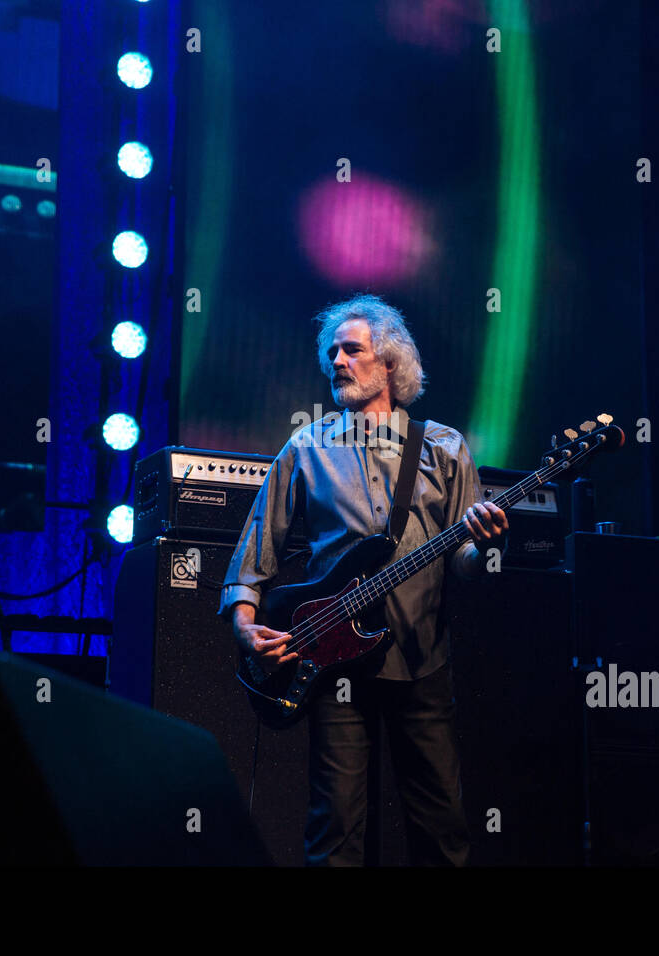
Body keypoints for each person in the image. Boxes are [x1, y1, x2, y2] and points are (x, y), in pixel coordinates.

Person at [219, 293, 508, 866]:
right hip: (331, 663)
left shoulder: (444, 447)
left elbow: (467, 567)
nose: (338, 362)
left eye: (352, 350)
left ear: (391, 363)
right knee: (336, 832)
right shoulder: (307, 446)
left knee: (441, 828)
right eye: (332, 353)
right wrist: (245, 626)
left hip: (421, 661)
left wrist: (486, 545)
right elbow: (256, 550)